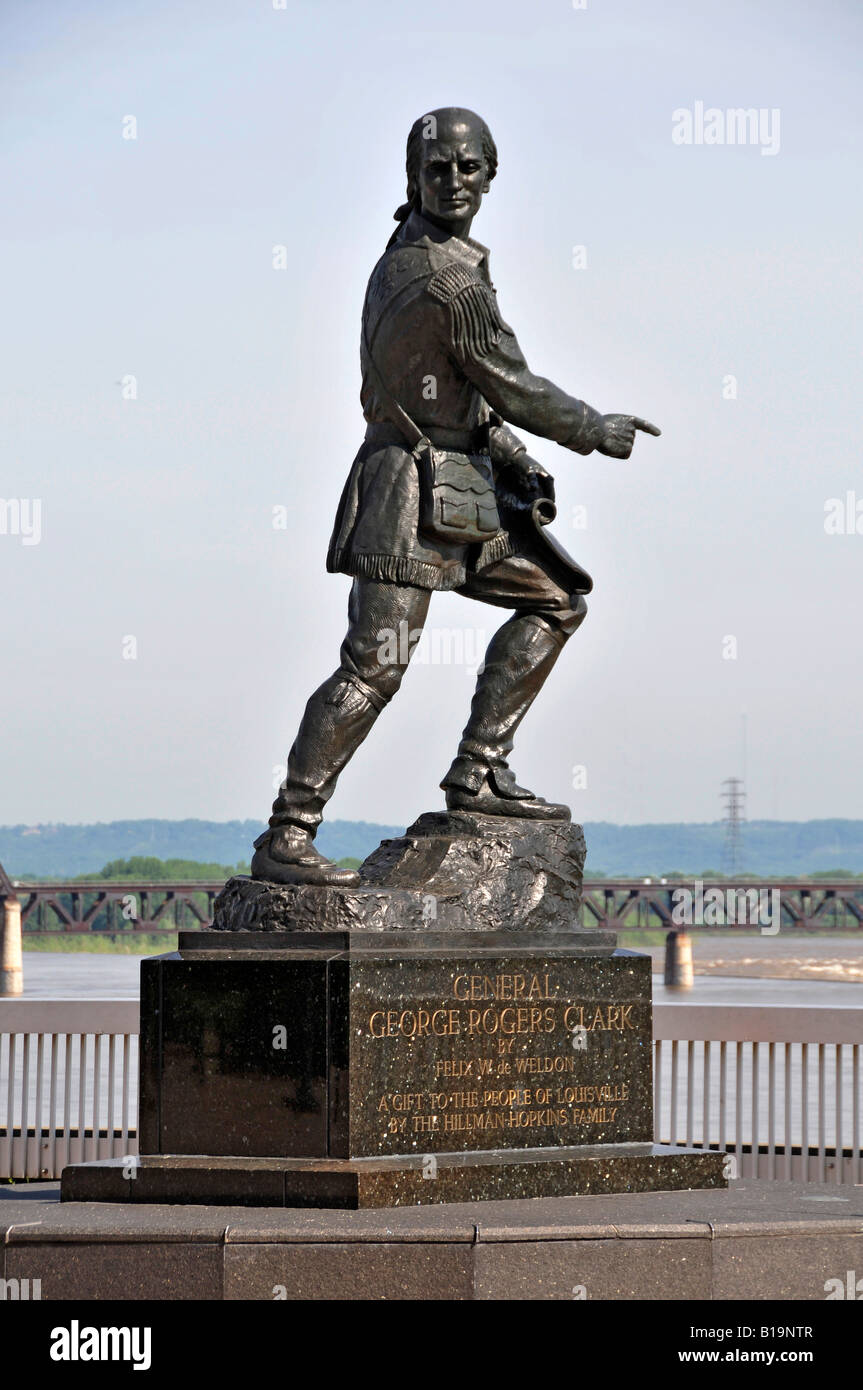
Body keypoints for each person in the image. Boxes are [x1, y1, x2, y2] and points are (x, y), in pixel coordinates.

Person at [251, 107, 659, 886]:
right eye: (437, 167)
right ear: (413, 177)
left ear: (490, 173)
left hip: (452, 481)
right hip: (409, 494)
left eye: (468, 167)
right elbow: (509, 383)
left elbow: (447, 394)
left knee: (556, 598)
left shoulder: (399, 257)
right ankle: (288, 834)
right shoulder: (448, 279)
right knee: (374, 669)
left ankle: (478, 771)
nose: (454, 180)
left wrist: (506, 452)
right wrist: (590, 429)